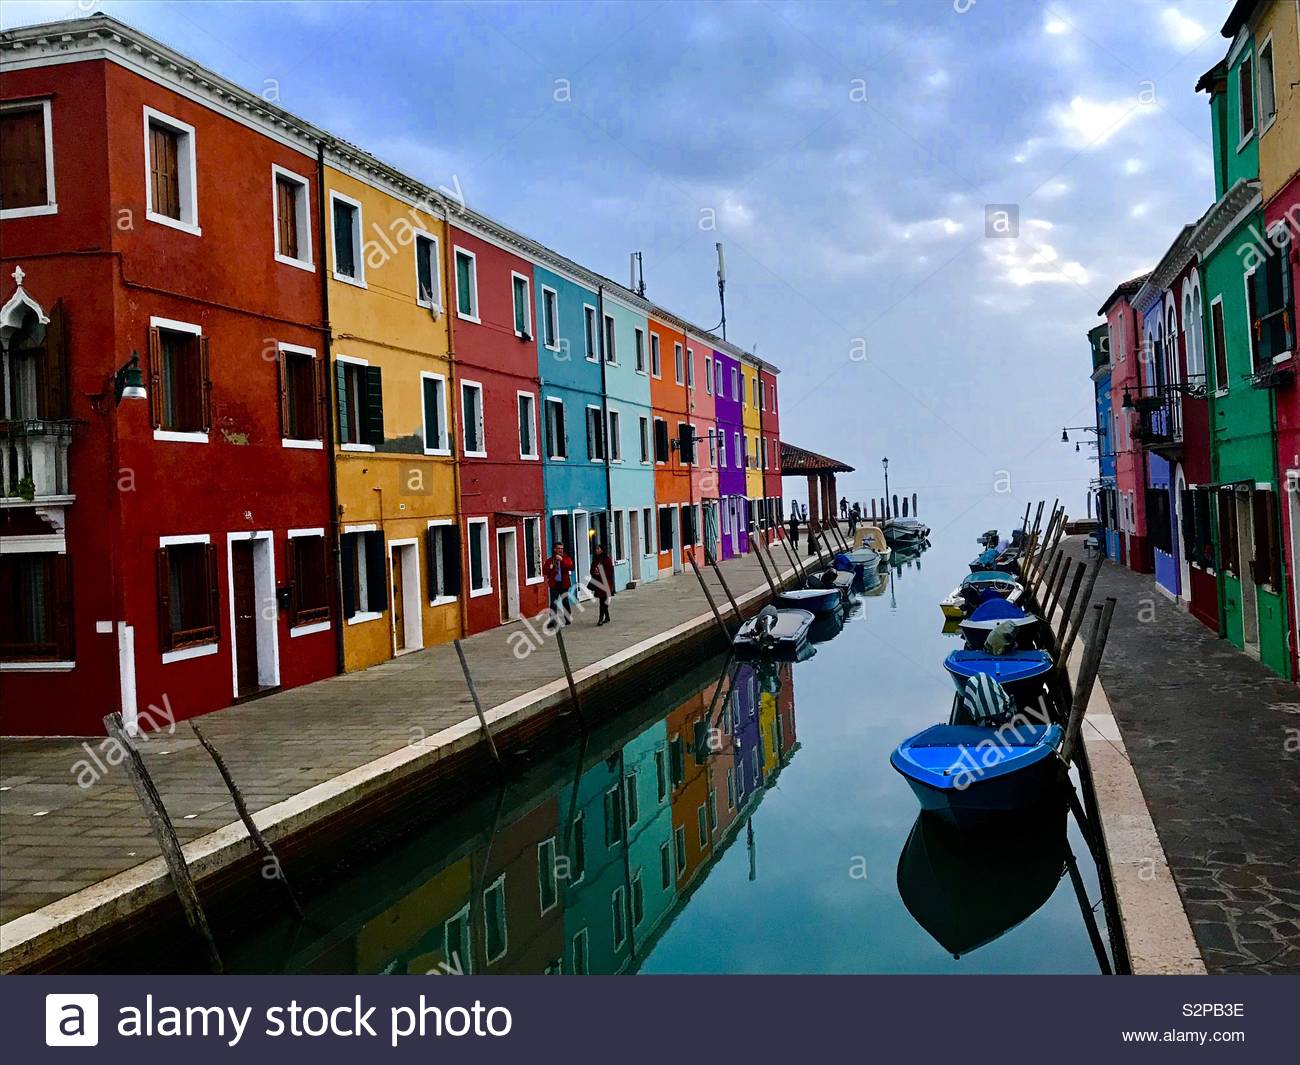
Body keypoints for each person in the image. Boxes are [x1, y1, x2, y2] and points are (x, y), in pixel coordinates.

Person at [543, 542, 574, 625]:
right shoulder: (550, 560)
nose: (560, 550)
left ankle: (567, 619)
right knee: (553, 603)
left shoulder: (566, 558)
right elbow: (544, 571)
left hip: (564, 584)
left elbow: (570, 566)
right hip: (554, 584)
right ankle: (553, 621)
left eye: (562, 548)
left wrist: (561, 560)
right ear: (555, 549)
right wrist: (550, 568)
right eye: (559, 548)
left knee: (565, 601)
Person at [589, 543, 616, 625]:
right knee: (603, 600)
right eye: (596, 549)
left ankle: (600, 619)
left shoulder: (606, 559)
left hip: (605, 583)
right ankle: (607, 617)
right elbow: (592, 570)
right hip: (598, 582)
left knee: (602, 601)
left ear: (602, 550)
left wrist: (600, 573)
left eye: (598, 549)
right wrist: (594, 572)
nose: (596, 550)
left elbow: (609, 572)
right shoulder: (595, 559)